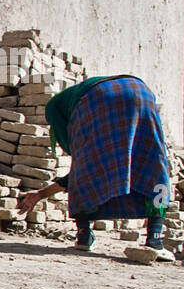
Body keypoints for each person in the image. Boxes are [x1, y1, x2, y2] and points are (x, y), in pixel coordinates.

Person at [17, 75, 173, 261]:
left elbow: (81, 171)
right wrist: (40, 194)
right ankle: (155, 240)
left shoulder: (61, 108)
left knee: (85, 169)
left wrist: (41, 193)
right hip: (142, 92)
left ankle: (83, 235)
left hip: (96, 98)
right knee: (152, 163)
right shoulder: (72, 97)